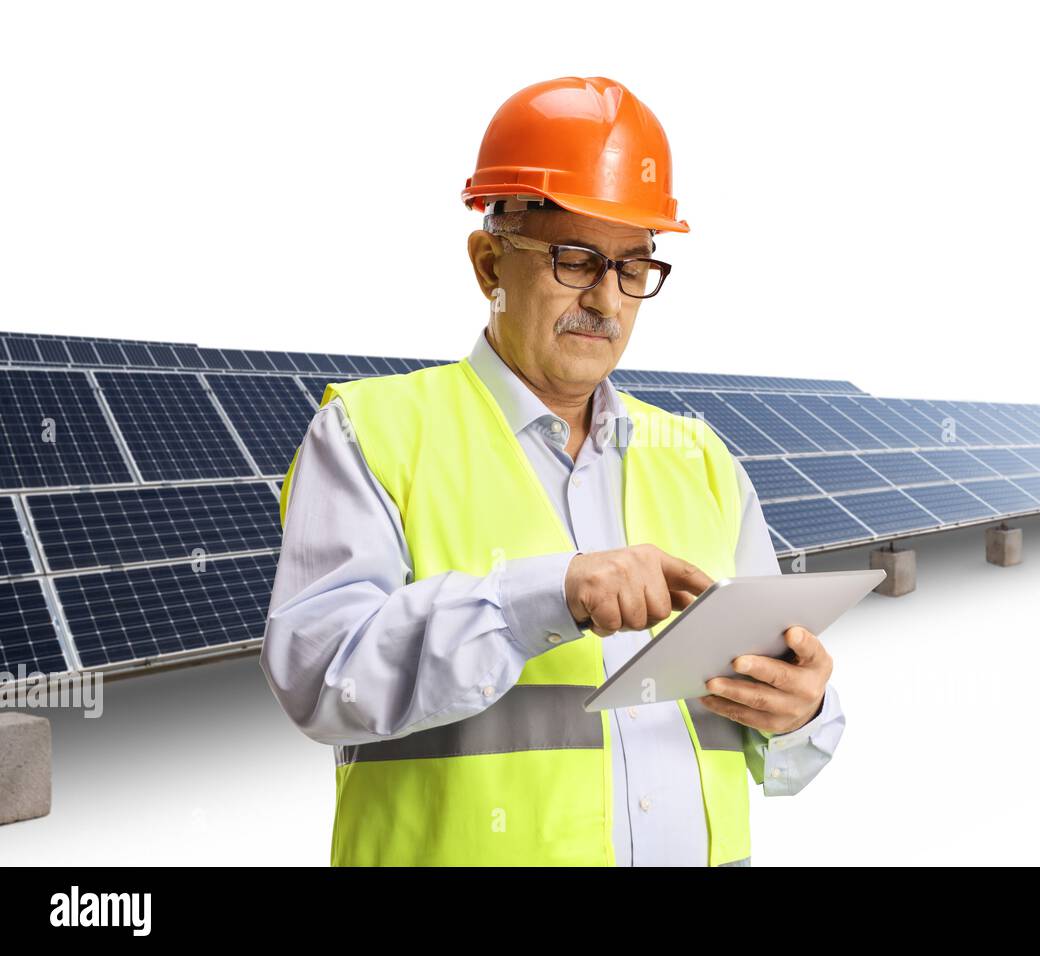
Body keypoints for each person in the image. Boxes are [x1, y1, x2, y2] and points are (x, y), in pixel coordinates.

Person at [260, 76, 845, 866]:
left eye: (634, 267)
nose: (606, 298)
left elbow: (777, 748)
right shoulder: (373, 436)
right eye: (575, 259)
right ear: (488, 261)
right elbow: (321, 677)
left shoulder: (702, 461)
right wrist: (548, 594)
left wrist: (800, 711)